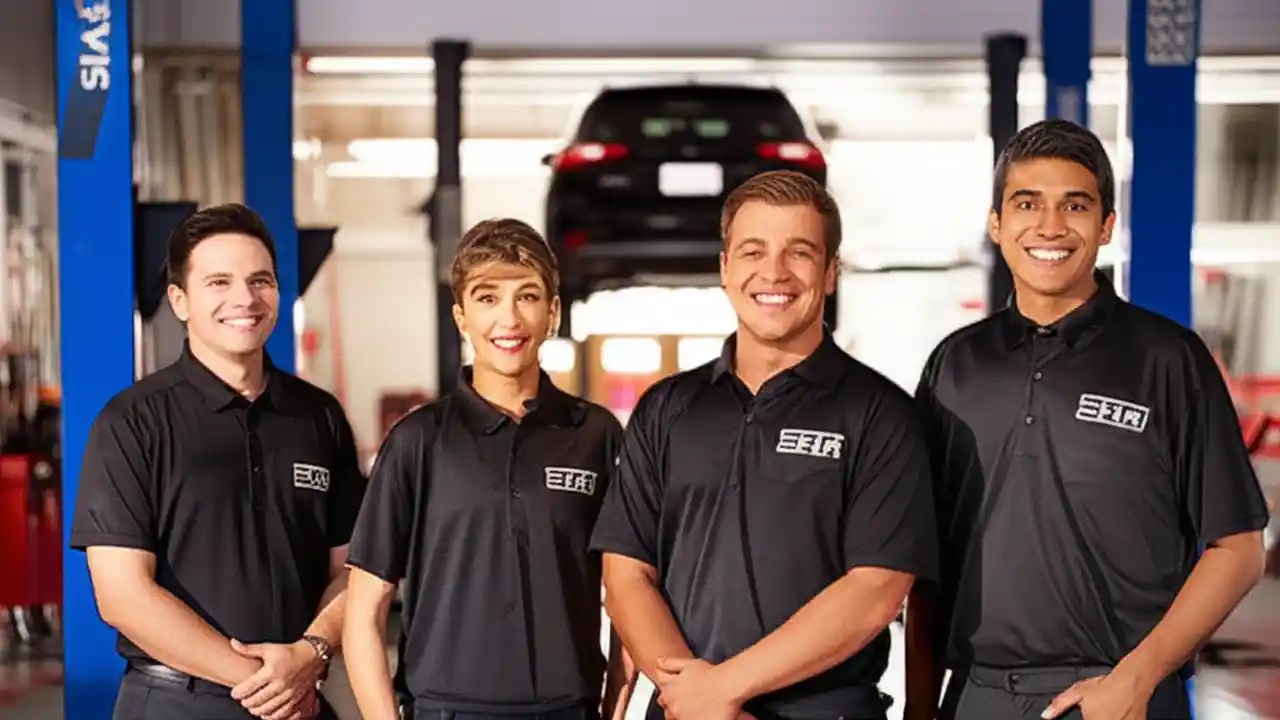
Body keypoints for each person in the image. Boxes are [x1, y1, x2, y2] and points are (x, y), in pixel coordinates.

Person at [903, 119, 1270, 720]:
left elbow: (1239, 547)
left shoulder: (1166, 360)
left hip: (1120, 697)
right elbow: (923, 560)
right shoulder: (956, 366)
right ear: (996, 223)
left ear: (1105, 226)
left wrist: (1137, 679)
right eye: (1027, 204)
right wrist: (920, 709)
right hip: (977, 696)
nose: (1050, 226)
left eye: (1074, 206)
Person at [590, 170, 939, 720]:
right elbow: (626, 575)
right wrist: (694, 699)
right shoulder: (666, 409)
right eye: (753, 252)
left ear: (830, 273)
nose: (774, 272)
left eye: (799, 253)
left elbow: (877, 589)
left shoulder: (881, 414)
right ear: (725, 268)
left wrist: (722, 691)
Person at [70, 203, 367, 720]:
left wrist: (311, 653)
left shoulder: (319, 418)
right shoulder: (133, 423)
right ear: (179, 300)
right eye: (218, 283)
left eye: (260, 281)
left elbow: (353, 570)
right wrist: (268, 683)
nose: (244, 299)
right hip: (175, 703)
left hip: (300, 700)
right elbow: (122, 595)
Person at [342, 218, 636, 720]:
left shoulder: (596, 435)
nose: (509, 318)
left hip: (569, 710)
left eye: (527, 297)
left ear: (553, 313)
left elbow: (631, 590)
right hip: (445, 710)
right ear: (461, 317)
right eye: (487, 298)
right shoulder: (418, 441)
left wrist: (614, 710)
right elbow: (364, 612)